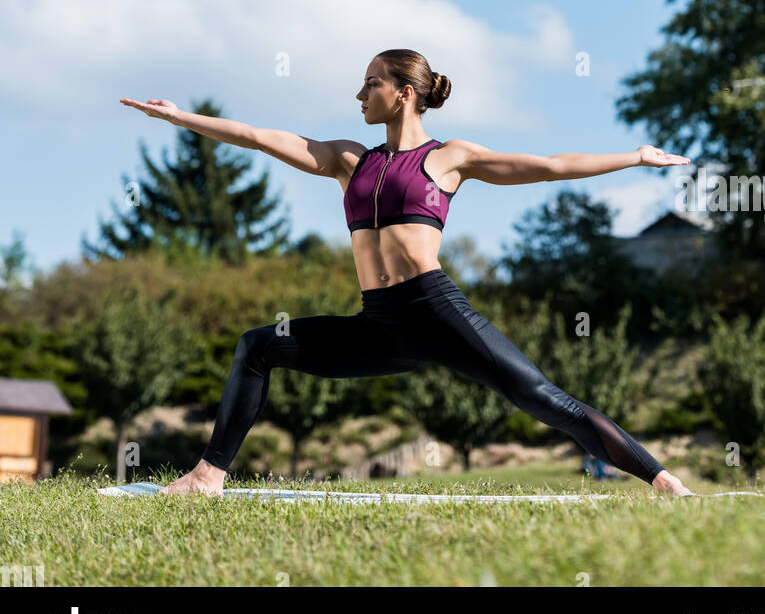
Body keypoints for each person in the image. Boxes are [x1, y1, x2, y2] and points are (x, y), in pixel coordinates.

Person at [120, 48, 695, 498]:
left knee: (544, 398)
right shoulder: (351, 160)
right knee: (258, 346)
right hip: (380, 326)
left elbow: (547, 167)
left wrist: (633, 157)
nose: (359, 94)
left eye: (371, 83)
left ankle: (664, 482)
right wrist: (179, 118)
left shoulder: (449, 159)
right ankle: (207, 476)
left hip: (437, 311)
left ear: (405, 93)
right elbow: (261, 138)